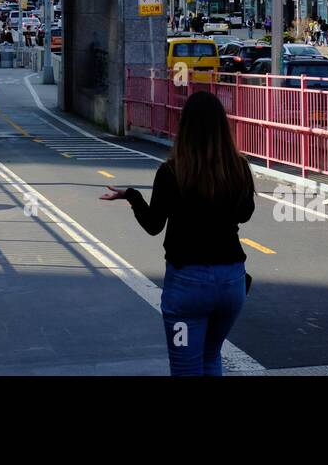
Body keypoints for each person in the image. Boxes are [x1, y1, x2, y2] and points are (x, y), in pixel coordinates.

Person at [101, 90, 256, 376]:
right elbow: (244, 214)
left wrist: (133, 197)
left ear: (184, 128)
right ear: (222, 127)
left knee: (186, 368)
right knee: (211, 357)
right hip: (231, 284)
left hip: (188, 287)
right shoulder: (239, 168)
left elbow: (153, 225)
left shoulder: (172, 172)